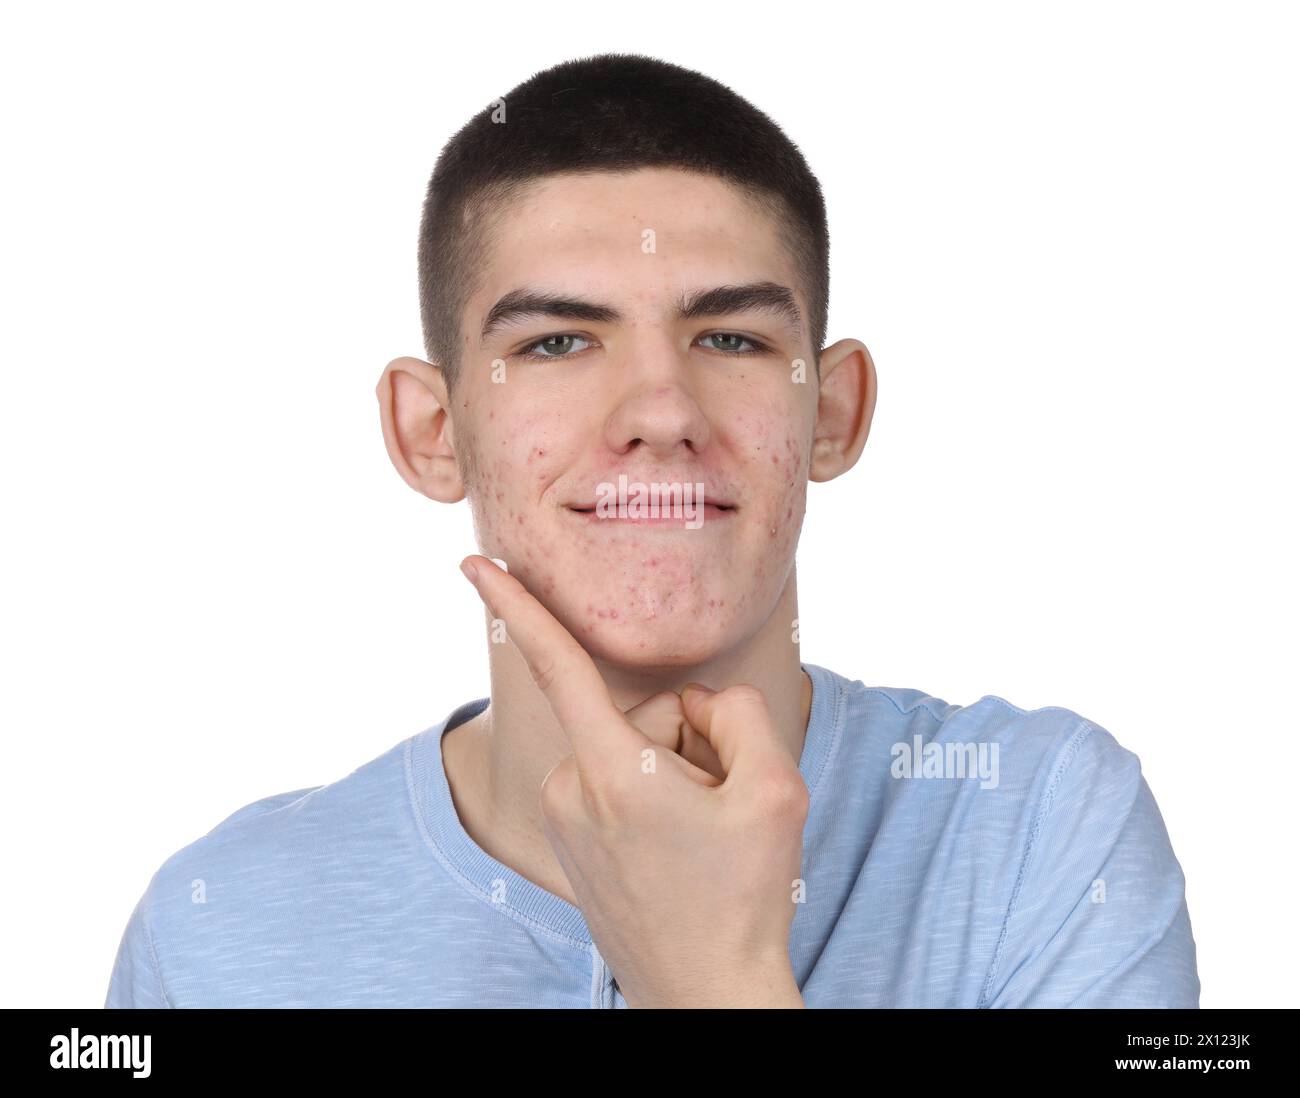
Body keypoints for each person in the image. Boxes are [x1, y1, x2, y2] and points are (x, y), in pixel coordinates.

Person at [105, 52, 1199, 1009]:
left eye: (728, 340)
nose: (662, 414)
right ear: (431, 431)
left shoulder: (1042, 825)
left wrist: (707, 977)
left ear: (833, 411)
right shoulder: (212, 931)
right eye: (555, 346)